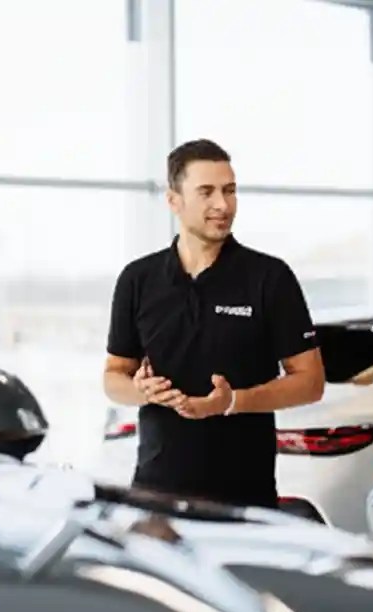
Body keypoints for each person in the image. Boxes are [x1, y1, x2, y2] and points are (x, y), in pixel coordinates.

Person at [101, 139, 325, 509]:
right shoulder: (137, 279)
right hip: (155, 495)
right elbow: (113, 377)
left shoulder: (270, 277)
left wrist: (232, 401)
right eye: (206, 192)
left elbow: (310, 382)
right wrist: (144, 391)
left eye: (230, 191)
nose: (223, 205)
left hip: (244, 499)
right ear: (174, 201)